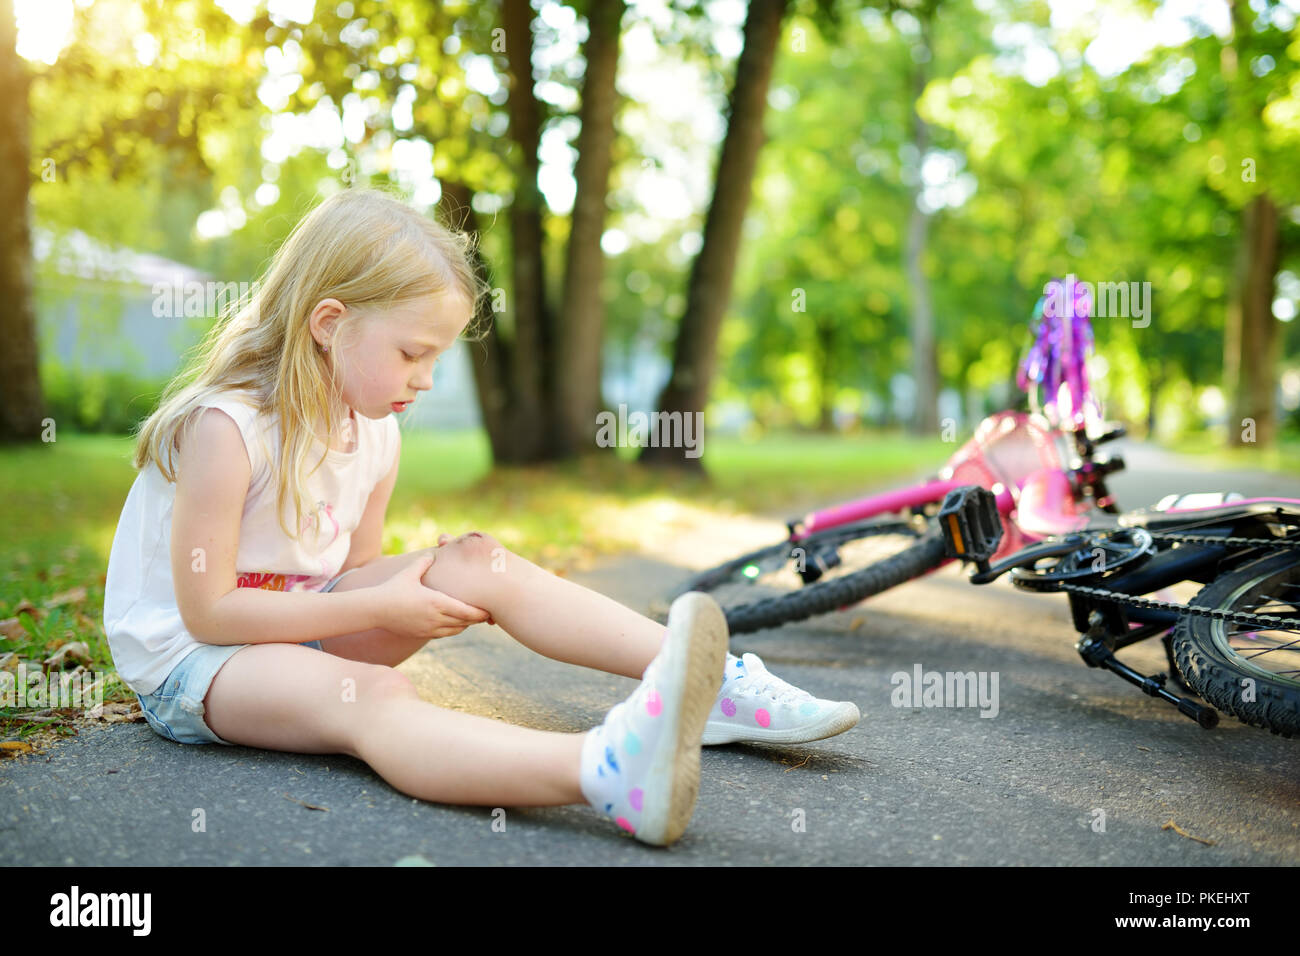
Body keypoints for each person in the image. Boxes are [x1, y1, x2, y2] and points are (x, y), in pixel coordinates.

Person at [102, 186, 860, 847]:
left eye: (437, 358)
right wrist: (383, 605)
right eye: (411, 353)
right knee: (373, 699)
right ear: (328, 322)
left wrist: (384, 597)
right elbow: (208, 613)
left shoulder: (376, 431)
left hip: (299, 624)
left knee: (476, 557)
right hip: (196, 663)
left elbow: (348, 575)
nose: (426, 379)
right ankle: (607, 771)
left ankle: (706, 682)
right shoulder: (226, 428)